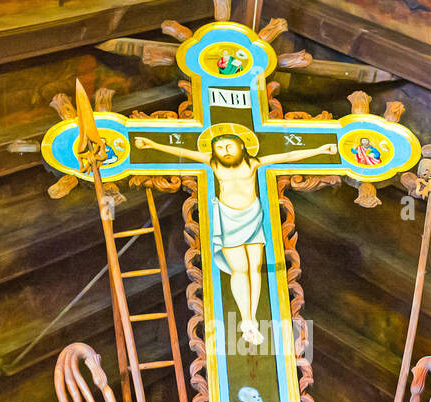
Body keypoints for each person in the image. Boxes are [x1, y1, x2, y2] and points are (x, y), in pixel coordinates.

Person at [133, 132, 335, 346]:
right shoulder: (213, 164)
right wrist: (152, 143)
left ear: (241, 146)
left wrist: (320, 150)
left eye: (229, 146)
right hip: (229, 219)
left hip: (253, 216)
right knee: (239, 269)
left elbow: (287, 156)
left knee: (254, 269)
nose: (225, 151)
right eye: (220, 148)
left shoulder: (254, 163)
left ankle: (252, 319)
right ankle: (246, 320)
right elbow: (183, 152)